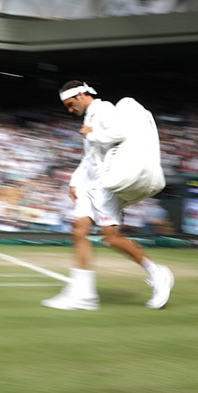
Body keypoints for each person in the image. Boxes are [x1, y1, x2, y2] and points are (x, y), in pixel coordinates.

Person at [42, 81, 174, 311]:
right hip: (90, 186)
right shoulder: (89, 117)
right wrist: (75, 181)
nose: (70, 110)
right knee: (79, 231)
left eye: (71, 104)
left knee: (111, 239)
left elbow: (121, 133)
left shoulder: (104, 109)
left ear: (81, 95)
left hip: (105, 186)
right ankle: (83, 295)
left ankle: (157, 272)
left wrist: (92, 134)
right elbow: (90, 157)